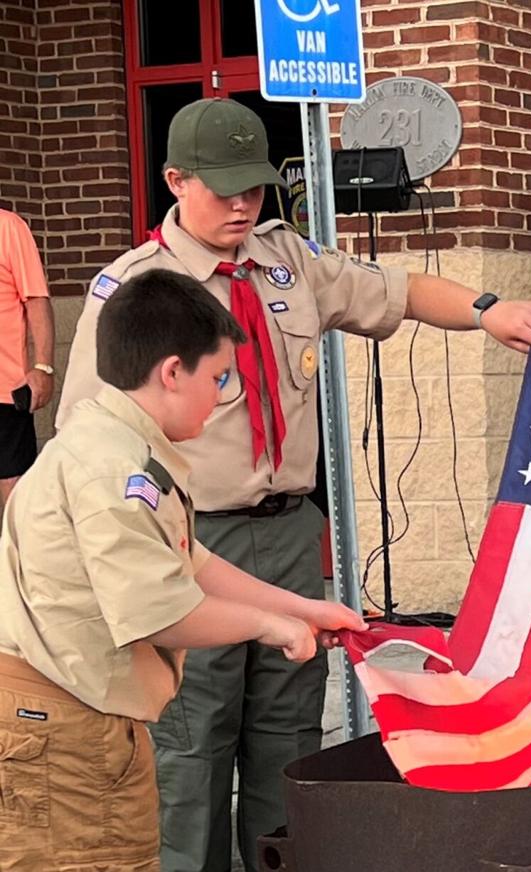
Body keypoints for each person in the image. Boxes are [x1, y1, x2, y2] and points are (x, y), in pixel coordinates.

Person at [55, 98, 531, 872]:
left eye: (254, 186)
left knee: (289, 740)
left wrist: (489, 309)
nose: (242, 204)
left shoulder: (286, 259)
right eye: (224, 187)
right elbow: (83, 442)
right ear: (176, 181)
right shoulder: (135, 290)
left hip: (290, 534)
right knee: (191, 747)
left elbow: (397, 290)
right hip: (191, 543)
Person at [0, 269, 367, 871]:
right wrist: (271, 628)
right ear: (172, 372)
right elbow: (157, 612)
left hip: (81, 717)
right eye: (218, 378)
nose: (223, 396)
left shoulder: (122, 445)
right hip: (62, 730)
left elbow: (190, 564)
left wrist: (301, 608)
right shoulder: (113, 471)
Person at [0, 208, 53, 505]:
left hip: (5, 390)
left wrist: (43, 367)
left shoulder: (8, 227)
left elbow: (36, 299)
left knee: (16, 492)